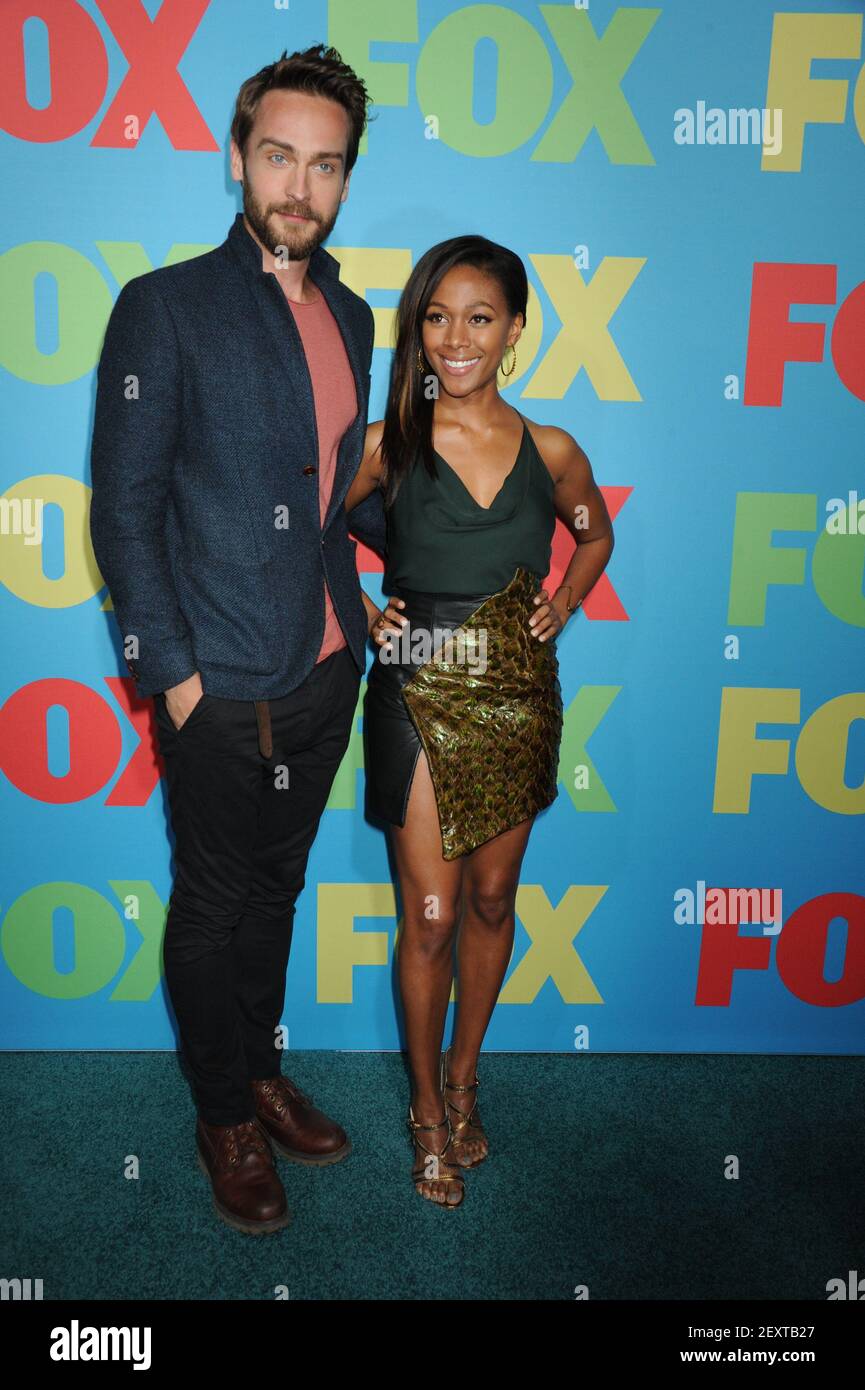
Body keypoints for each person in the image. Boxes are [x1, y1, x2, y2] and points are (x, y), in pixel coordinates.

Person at [89, 46, 385, 1236]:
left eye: (325, 165)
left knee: (277, 890)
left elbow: (337, 495)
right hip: (216, 683)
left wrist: (424, 555)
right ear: (235, 159)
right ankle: (222, 1114)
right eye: (278, 157)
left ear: (345, 177)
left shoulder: (354, 315)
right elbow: (123, 510)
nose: (299, 187)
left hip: (325, 669)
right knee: (213, 904)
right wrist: (174, 679)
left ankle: (260, 1072)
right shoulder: (164, 305)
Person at [346, 236, 615, 1207]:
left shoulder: (554, 450)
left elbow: (594, 533)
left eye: (479, 317)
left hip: (515, 693)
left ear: (514, 329)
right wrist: (359, 608)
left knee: (493, 903)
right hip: (416, 686)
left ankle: (465, 1083)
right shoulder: (387, 445)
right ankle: (425, 1115)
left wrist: (564, 600)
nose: (455, 338)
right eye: (436, 317)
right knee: (430, 914)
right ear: (416, 329)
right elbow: (303, 530)